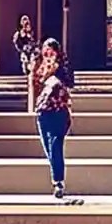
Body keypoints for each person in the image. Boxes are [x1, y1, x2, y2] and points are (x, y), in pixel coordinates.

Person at [28, 38, 80, 204]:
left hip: (59, 111)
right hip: (43, 113)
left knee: (55, 146)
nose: (48, 54)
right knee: (48, 148)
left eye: (51, 51)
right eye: (45, 51)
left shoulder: (62, 69)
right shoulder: (38, 68)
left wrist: (56, 72)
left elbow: (70, 84)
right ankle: (57, 179)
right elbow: (34, 87)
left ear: (57, 52)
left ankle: (58, 182)